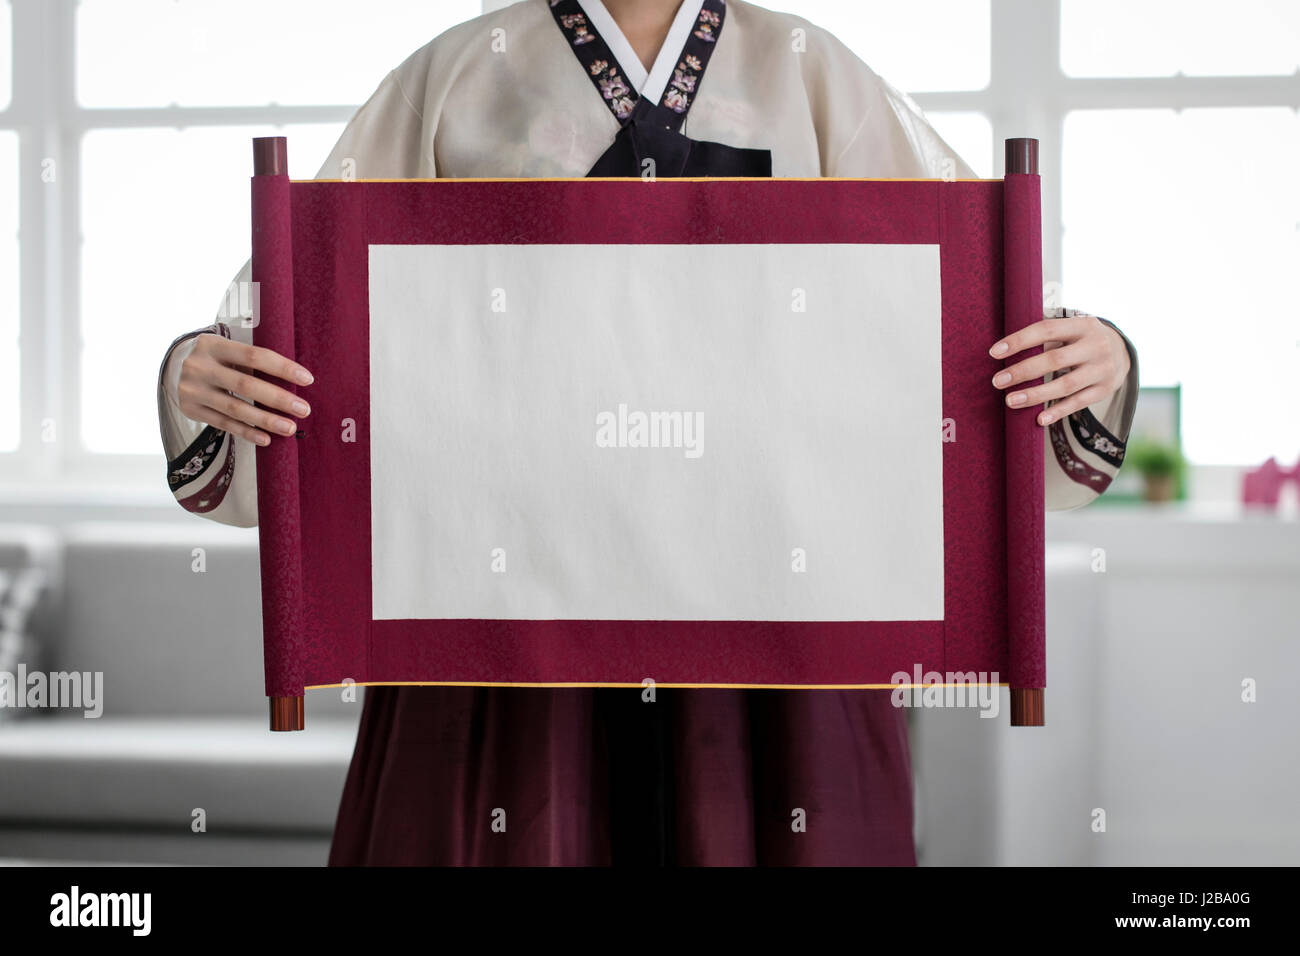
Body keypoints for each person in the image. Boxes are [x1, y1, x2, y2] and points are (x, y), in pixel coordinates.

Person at [157, 0, 1138, 865]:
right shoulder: (451, 76)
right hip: (497, 612)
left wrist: (1093, 356)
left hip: (780, 609)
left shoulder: (810, 71)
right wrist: (201, 372)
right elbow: (305, 324)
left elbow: (964, 311)